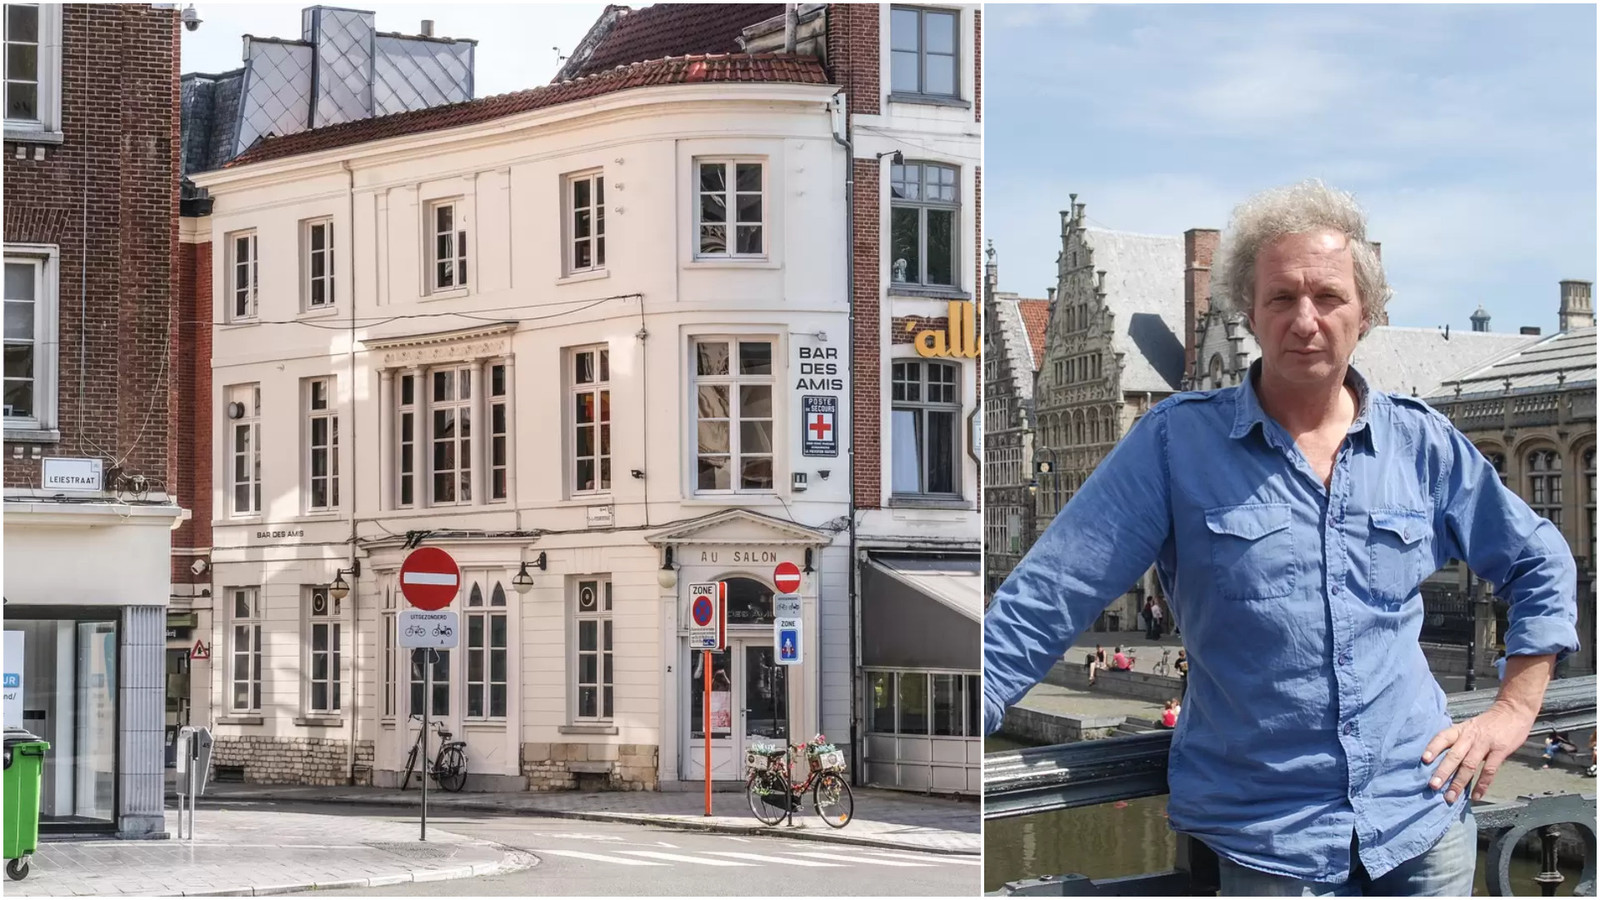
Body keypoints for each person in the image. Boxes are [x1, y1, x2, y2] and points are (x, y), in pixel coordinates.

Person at [982, 180, 1578, 896]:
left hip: (1420, 822)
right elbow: (1047, 597)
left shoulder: (1420, 443)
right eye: (1281, 299)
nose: (1305, 320)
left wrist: (1513, 711)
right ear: (1250, 313)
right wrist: (951, 748)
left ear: (1366, 314)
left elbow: (1538, 560)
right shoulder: (1176, 444)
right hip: (1269, 843)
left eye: (1327, 297)